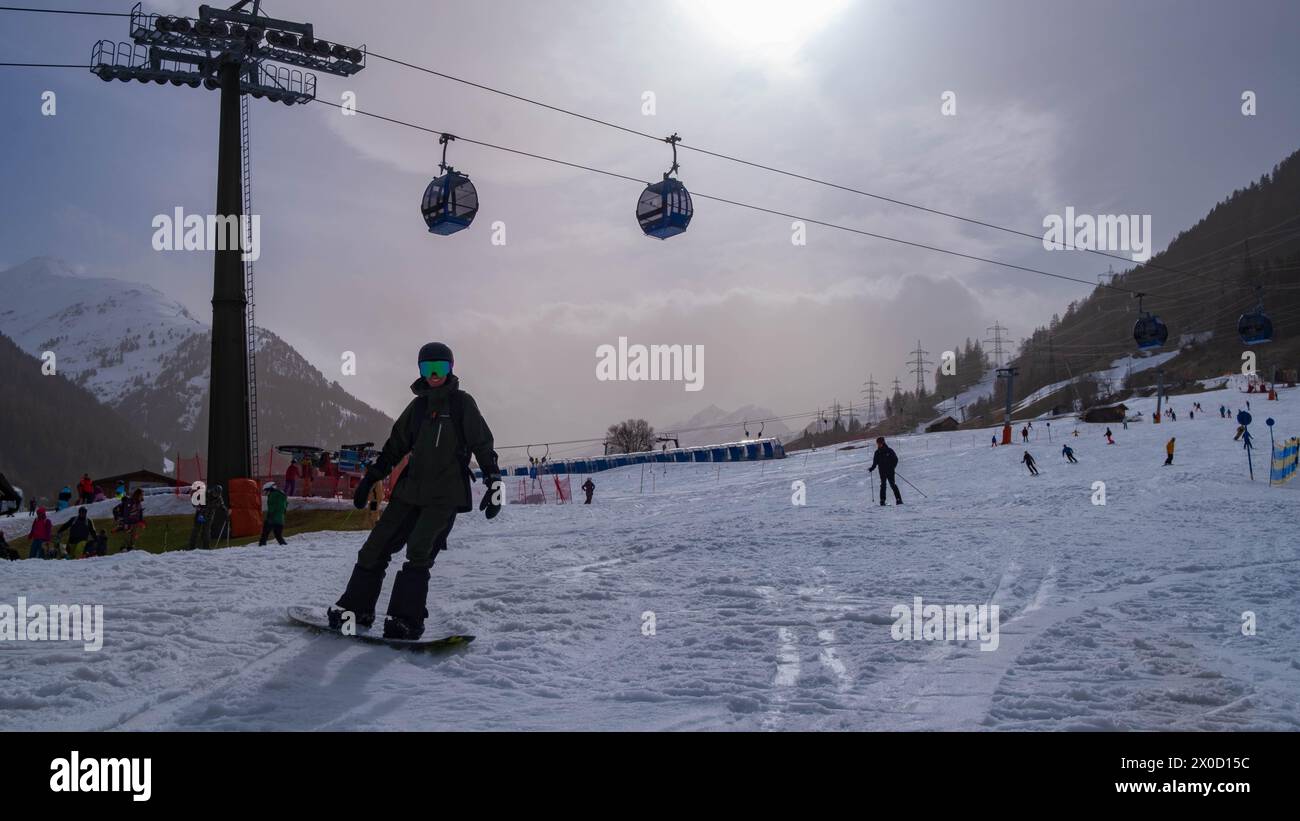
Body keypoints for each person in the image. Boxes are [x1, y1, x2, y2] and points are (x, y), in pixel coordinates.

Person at [331, 342, 502, 641]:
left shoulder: (462, 404)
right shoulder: (419, 407)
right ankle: (356, 610)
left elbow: (482, 445)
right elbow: (395, 446)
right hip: (409, 492)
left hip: (444, 494)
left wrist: (494, 481)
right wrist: (370, 478)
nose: (434, 374)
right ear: (420, 371)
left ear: (451, 370)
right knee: (375, 547)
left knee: (419, 552)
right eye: (427, 368)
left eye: (441, 368)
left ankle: (405, 620)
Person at [867, 436, 902, 506]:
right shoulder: (877, 452)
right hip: (882, 471)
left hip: (890, 471)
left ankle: (898, 500)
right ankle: (882, 501)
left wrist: (892, 467)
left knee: (892, 485)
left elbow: (895, 460)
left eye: (879, 443)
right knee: (883, 485)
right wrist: (872, 468)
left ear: (883, 442)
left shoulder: (889, 450)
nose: (878, 444)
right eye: (877, 443)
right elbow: (875, 462)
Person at [259, 481, 289, 546]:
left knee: (264, 535)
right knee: (278, 536)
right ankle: (285, 547)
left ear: (270, 489)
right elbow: (285, 506)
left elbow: (272, 507)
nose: (266, 492)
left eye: (266, 490)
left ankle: (261, 548)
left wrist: (269, 517)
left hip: (272, 518)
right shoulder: (282, 495)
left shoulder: (272, 495)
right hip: (280, 519)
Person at [186, 484, 210, 550]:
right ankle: (192, 546)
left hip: (204, 513)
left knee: (204, 530)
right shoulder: (195, 495)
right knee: (197, 530)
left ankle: (204, 546)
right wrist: (200, 508)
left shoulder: (202, 494)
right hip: (200, 514)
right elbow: (195, 505)